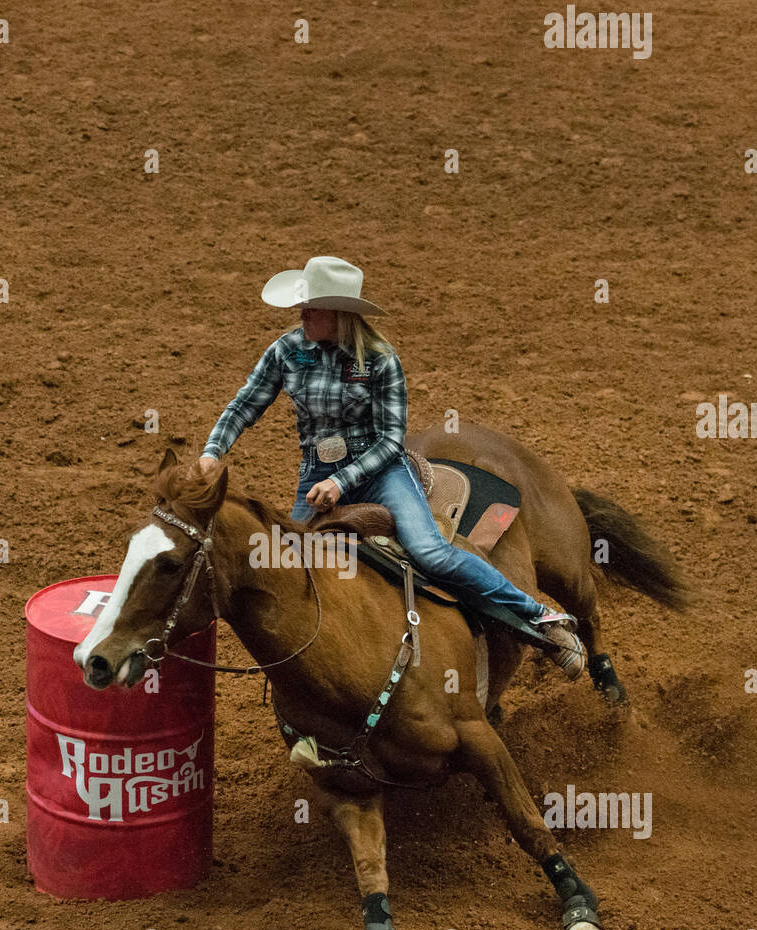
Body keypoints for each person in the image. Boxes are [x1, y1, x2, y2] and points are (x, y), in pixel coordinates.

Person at [199, 255, 584, 676]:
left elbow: (389, 440)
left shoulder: (380, 360)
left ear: (340, 314)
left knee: (431, 553)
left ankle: (540, 619)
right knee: (290, 566)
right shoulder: (287, 352)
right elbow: (242, 407)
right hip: (316, 473)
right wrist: (211, 452)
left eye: (312, 307)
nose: (302, 314)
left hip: (381, 473)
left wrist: (341, 483)